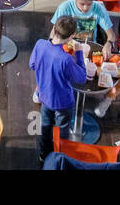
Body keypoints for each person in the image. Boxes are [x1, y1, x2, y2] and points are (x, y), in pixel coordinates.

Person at [29, 16, 90, 162]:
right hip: (63, 102)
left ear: (53, 29)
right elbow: (81, 78)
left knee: (45, 126)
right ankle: (62, 156)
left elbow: (32, 65)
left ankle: (43, 155)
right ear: (71, 37)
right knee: (63, 130)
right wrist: (79, 53)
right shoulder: (66, 59)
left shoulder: (40, 44)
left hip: (44, 97)